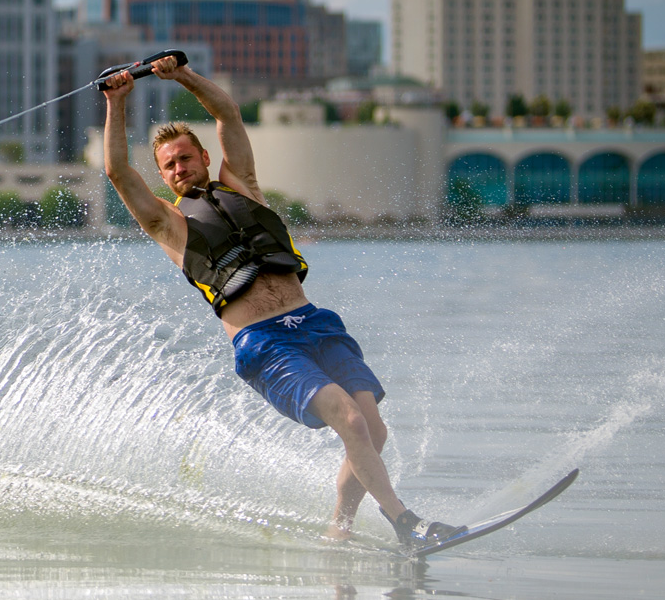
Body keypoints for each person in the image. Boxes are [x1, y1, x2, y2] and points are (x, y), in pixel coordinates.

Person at [99, 54, 458, 549]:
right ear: (163, 176)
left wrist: (181, 76)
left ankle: (340, 530)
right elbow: (118, 171)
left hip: (314, 323)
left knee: (372, 431)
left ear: (204, 157)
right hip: (264, 343)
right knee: (348, 419)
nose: (179, 168)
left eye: (186, 157)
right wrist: (117, 103)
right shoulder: (168, 224)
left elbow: (228, 115)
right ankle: (407, 525)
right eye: (169, 165)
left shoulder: (243, 186)